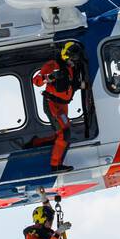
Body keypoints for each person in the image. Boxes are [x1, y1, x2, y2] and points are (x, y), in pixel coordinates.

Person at [32, 41, 82, 173]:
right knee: (64, 133)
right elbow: (36, 81)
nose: (73, 62)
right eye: (72, 59)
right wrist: (49, 77)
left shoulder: (72, 69)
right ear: (66, 56)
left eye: (75, 59)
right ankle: (55, 165)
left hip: (63, 106)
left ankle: (36, 143)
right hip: (52, 104)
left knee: (61, 133)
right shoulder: (53, 65)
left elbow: (73, 85)